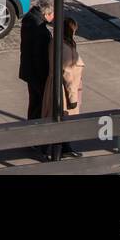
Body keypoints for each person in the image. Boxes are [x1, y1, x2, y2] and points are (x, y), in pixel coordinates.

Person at [42, 16, 85, 160]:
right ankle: (54, 152)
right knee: (62, 120)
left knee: (59, 120)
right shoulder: (65, 48)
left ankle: (63, 148)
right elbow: (68, 74)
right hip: (64, 91)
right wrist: (72, 98)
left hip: (57, 85)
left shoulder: (58, 42)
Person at [18, 0, 54, 121]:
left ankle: (31, 123)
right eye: (52, 14)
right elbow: (40, 57)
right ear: (46, 14)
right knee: (39, 103)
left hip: (28, 69)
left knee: (33, 101)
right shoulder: (41, 31)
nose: (53, 16)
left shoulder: (29, 20)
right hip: (37, 73)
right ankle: (35, 126)